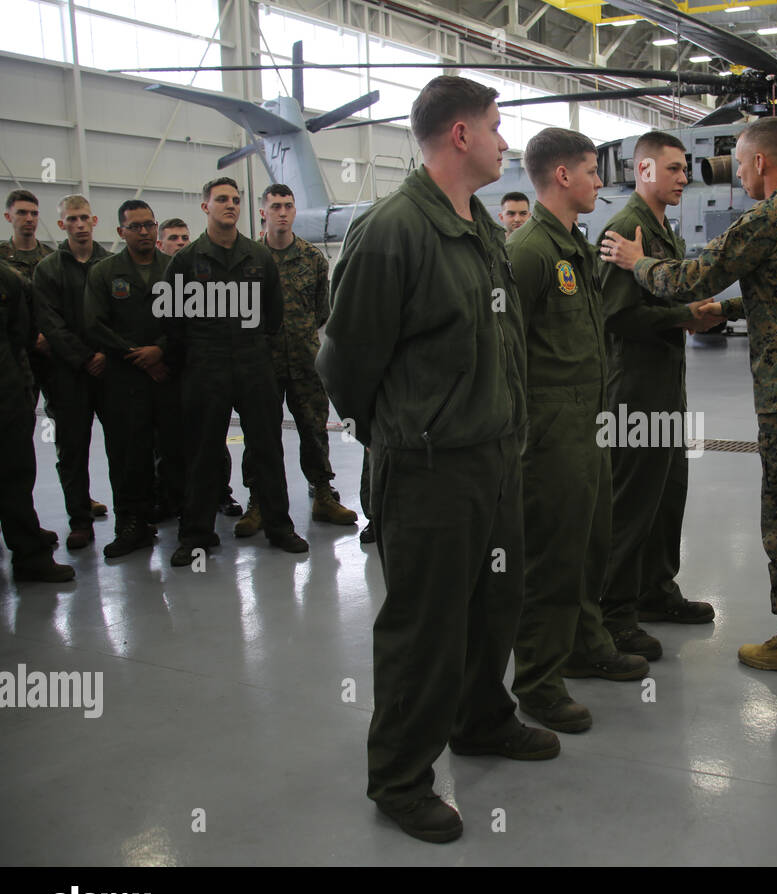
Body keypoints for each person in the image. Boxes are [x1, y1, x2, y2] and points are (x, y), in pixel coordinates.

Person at [318, 76, 559, 845]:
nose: (503, 140)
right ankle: (398, 777)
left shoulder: (479, 223)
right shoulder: (394, 230)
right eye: (495, 126)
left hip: (492, 458)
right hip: (428, 469)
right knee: (424, 627)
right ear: (460, 135)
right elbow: (344, 362)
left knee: (493, 605)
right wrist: (401, 431)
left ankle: (481, 719)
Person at [601, 116, 777, 676]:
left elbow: (691, 277)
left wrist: (637, 262)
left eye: (739, 164)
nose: (736, 176)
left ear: (760, 163)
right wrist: (722, 313)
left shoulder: (768, 218)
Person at [506, 128, 650, 734]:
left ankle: (586, 644)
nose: (599, 181)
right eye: (592, 170)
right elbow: (508, 350)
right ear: (562, 176)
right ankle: (538, 681)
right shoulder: (530, 251)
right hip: (550, 430)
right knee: (552, 557)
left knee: (592, 542)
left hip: (588, 420)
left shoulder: (574, 245)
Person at [596, 131, 717, 655]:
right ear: (643, 169)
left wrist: (694, 311)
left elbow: (669, 293)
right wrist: (686, 315)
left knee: (668, 494)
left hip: (667, 385)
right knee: (632, 501)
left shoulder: (661, 229)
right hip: (634, 391)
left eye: (684, 168)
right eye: (672, 168)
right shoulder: (625, 228)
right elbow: (618, 315)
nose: (683, 177)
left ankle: (655, 590)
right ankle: (613, 611)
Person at [163, 176, 307, 567]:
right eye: (221, 199)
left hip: (252, 363)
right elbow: (171, 324)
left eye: (235, 200)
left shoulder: (258, 259)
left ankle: (279, 526)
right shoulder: (186, 261)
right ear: (204, 205)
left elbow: (273, 317)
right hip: (204, 367)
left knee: (267, 449)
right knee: (202, 453)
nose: (230, 205)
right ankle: (196, 534)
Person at [233, 184, 355, 536]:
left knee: (314, 430)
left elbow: (321, 312)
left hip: (304, 361)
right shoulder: (248, 259)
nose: (282, 213)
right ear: (263, 212)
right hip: (262, 364)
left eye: (288, 206)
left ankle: (322, 495)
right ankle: (258, 501)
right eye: (275, 206)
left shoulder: (313, 258)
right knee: (259, 434)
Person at [82, 200, 182, 559]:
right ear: (121, 231)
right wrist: (139, 356)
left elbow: (189, 319)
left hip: (167, 378)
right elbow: (94, 324)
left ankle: (184, 522)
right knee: (128, 456)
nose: (143, 232)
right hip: (124, 382)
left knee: (175, 452)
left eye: (149, 225)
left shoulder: (174, 269)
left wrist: (160, 351)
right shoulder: (105, 273)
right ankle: (132, 525)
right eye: (135, 226)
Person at [32, 195, 112, 550]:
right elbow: (49, 322)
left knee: (125, 448)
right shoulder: (48, 269)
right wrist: (83, 358)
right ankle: (79, 520)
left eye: (84, 218)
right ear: (62, 223)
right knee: (73, 451)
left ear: (94, 221)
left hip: (110, 371)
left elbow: (123, 317)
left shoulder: (111, 265)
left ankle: (131, 517)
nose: (79, 224)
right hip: (67, 375)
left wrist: (106, 354)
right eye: (72, 219)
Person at [158, 217, 242, 519]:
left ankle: (221, 494)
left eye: (184, 237)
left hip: (203, 368)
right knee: (167, 440)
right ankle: (172, 498)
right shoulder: (156, 275)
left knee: (211, 438)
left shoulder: (199, 271)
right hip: (165, 368)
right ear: (161, 243)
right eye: (173, 238)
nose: (180, 243)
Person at [1, 262, 73, 583]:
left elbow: (23, 334)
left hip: (6, 391)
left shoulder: (7, 279)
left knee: (16, 474)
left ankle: (29, 553)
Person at [0, 190, 54, 411]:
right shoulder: (2, 259)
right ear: (8, 217)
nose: (29, 218)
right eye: (22, 213)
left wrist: (48, 336)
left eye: (34, 213)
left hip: (50, 349)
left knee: (64, 417)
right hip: (15, 354)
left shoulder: (52, 257)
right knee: (18, 416)